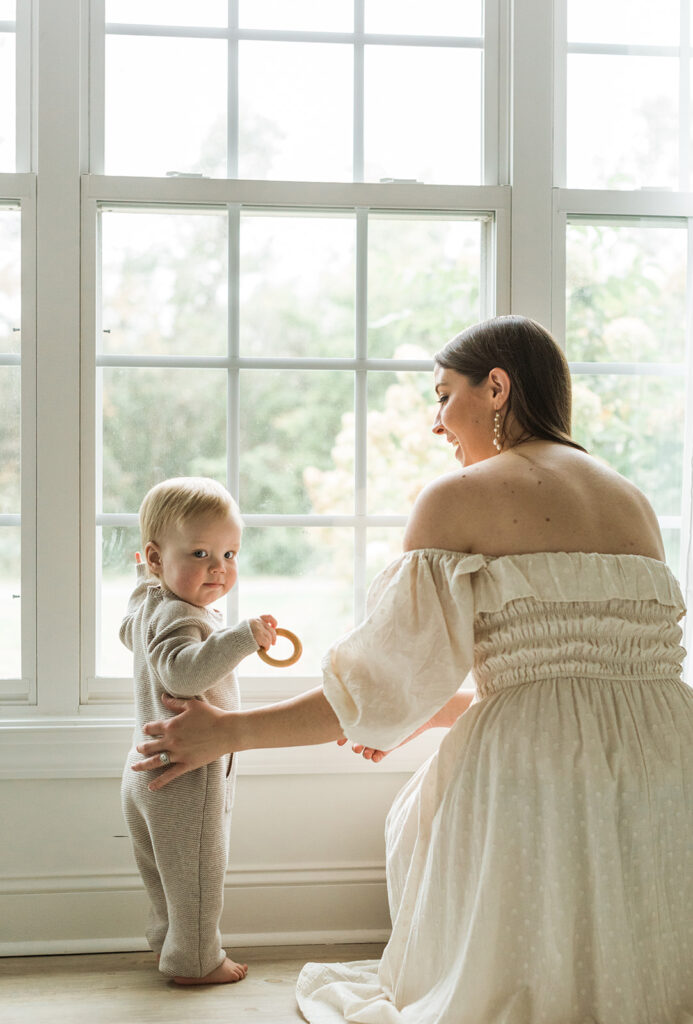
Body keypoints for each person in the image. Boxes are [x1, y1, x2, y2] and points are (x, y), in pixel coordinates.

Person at [131, 317, 693, 1022]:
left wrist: (224, 733)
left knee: (421, 817)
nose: (435, 423)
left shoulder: (458, 496)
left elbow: (370, 686)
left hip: (540, 771)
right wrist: (421, 715)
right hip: (669, 764)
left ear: (496, 387)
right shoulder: (630, 500)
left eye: (441, 395)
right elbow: (582, 682)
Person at [120, 476, 277, 985]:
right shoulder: (184, 616)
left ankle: (168, 944)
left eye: (230, 554)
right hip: (188, 778)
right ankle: (196, 962)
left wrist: (148, 577)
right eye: (202, 553)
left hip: (145, 770)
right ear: (156, 557)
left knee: (166, 878)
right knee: (199, 878)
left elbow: (129, 633)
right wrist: (242, 637)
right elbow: (182, 672)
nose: (219, 568)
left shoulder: (149, 604)